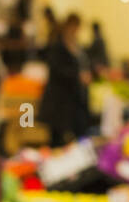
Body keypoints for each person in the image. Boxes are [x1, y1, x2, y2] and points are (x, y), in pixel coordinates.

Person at [39, 12, 93, 145]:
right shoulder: (57, 46)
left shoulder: (77, 46)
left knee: (77, 136)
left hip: (75, 100)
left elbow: (85, 65)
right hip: (59, 101)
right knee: (57, 139)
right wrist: (77, 76)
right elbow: (57, 69)